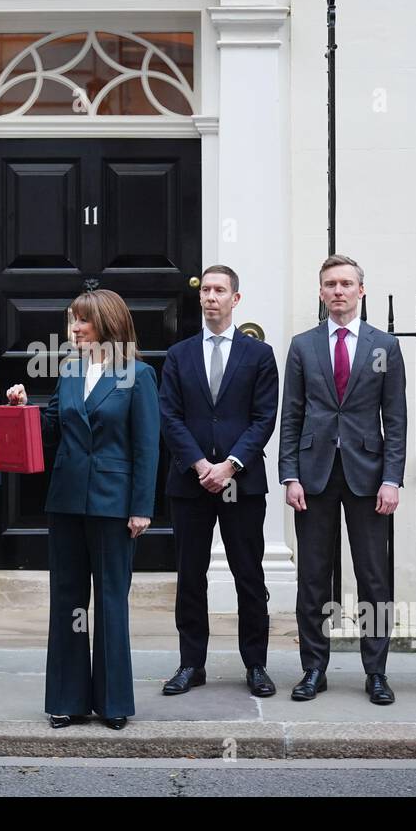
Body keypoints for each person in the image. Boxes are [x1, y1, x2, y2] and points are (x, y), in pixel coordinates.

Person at [6, 289, 160, 730]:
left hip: (115, 506)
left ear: (107, 324)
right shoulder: (70, 370)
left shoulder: (139, 374)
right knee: (68, 601)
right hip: (67, 500)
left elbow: (148, 447)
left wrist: (141, 508)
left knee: (110, 602)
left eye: (81, 322)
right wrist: (25, 409)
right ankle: (68, 699)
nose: (73, 329)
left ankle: (114, 703)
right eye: (72, 321)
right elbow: (54, 425)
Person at [278, 255, 407, 705]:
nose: (338, 291)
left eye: (346, 283)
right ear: (320, 292)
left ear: (360, 291)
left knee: (373, 579)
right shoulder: (302, 345)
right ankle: (314, 668)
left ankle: (376, 672)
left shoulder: (384, 346)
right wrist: (289, 474)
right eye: (330, 284)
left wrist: (393, 479)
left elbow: (396, 418)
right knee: (313, 578)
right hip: (313, 478)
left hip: (368, 479)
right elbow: (290, 414)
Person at [158, 265, 279, 698]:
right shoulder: (179, 354)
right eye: (205, 290)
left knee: (249, 574)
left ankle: (256, 664)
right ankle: (191, 663)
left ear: (235, 299)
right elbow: (168, 415)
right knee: (191, 575)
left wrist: (229, 465)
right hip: (189, 484)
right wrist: (198, 464)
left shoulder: (258, 355)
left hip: (241, 484)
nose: (210, 297)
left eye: (219, 290)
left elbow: (264, 418)